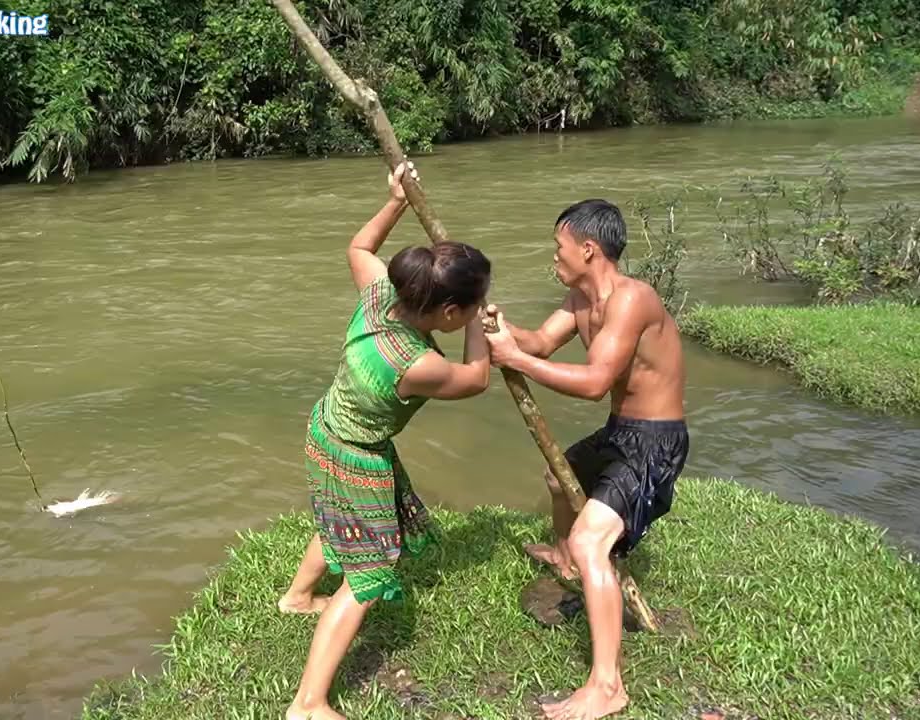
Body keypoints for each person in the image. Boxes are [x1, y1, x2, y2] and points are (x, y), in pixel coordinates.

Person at [281, 161, 494, 720]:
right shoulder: (415, 363)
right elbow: (475, 379)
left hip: (326, 431)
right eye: (466, 309)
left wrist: (396, 201)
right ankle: (308, 703)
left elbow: (359, 246)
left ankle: (298, 597)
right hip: (355, 455)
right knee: (368, 576)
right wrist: (482, 327)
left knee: (337, 520)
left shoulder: (378, 296)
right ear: (448, 311)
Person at [484, 199, 689, 720]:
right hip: (622, 431)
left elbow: (596, 382)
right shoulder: (579, 298)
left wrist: (516, 361)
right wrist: (506, 335)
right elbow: (542, 343)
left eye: (559, 246)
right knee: (559, 478)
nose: (554, 256)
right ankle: (566, 560)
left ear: (588, 248)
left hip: (655, 441)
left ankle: (608, 685)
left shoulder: (631, 300)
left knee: (591, 536)